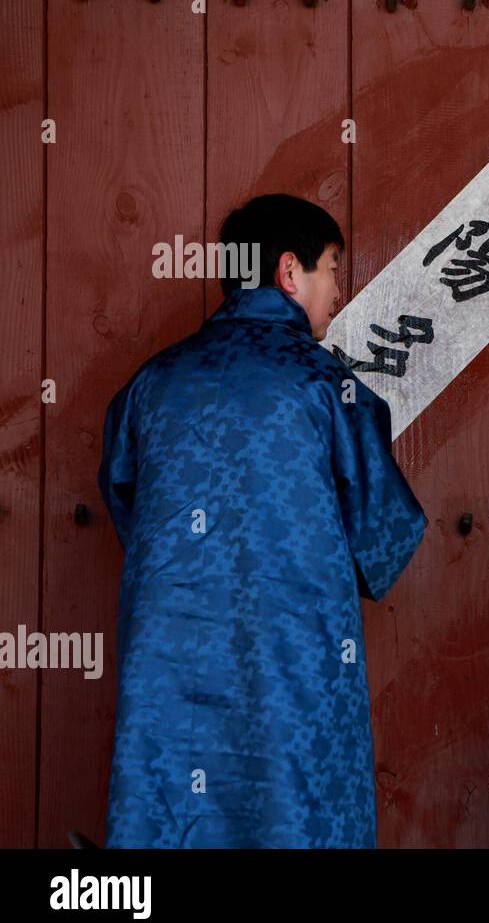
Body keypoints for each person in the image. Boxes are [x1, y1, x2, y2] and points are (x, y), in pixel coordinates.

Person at [97, 194, 427, 847]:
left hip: (171, 651)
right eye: (334, 268)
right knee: (296, 808)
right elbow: (385, 535)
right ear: (288, 272)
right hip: (296, 658)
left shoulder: (151, 383)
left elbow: (125, 500)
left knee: (170, 809)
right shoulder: (327, 387)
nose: (338, 289)